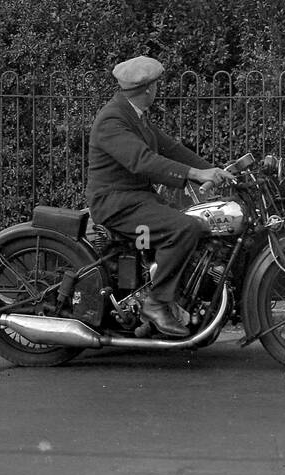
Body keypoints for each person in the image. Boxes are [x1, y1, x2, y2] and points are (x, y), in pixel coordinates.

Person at [85, 56, 231, 337]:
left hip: (136, 198)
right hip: (116, 202)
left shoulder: (134, 116)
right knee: (183, 228)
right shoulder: (113, 120)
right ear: (148, 89)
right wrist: (195, 175)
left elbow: (170, 148)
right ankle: (157, 302)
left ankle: (174, 296)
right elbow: (143, 161)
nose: (158, 90)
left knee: (193, 222)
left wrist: (212, 170)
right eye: (156, 86)